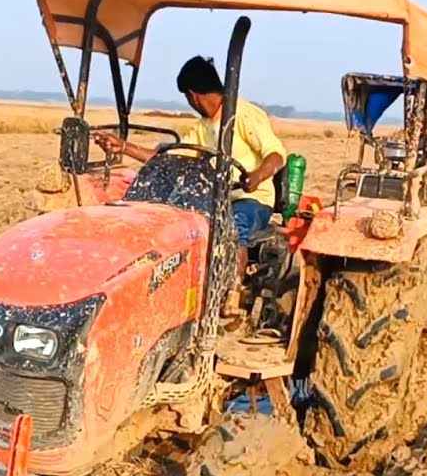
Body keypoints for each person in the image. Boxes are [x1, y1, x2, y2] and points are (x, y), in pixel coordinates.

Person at [93, 56, 287, 313]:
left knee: (231, 224)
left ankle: (232, 294)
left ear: (193, 96)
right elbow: (169, 159)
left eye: (187, 98)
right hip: (213, 199)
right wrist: (124, 146)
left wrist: (257, 176)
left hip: (251, 200)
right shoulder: (202, 128)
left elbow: (276, 154)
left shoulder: (245, 115)